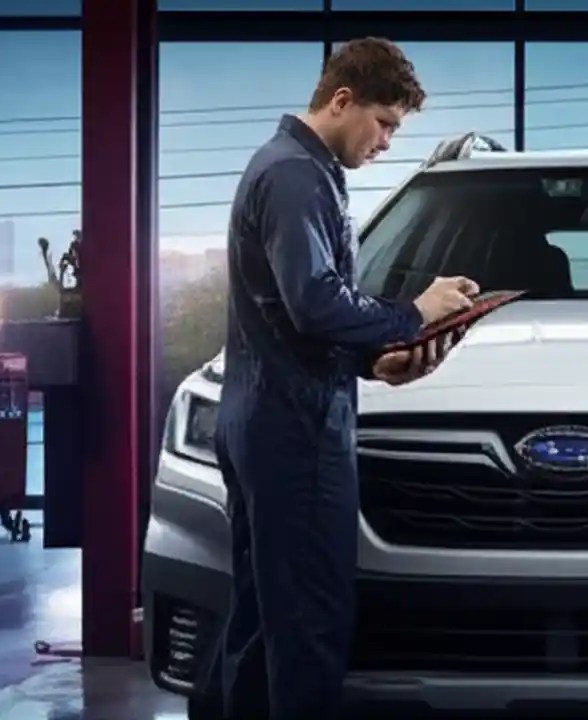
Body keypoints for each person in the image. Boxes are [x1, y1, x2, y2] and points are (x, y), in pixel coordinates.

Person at [191, 38, 478, 719]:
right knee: (309, 624)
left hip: (268, 416)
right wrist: (412, 313)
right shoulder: (296, 175)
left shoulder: (291, 167)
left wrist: (368, 359)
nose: (387, 142)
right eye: (385, 124)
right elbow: (314, 300)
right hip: (297, 431)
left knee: (264, 620)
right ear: (343, 101)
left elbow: (292, 318)